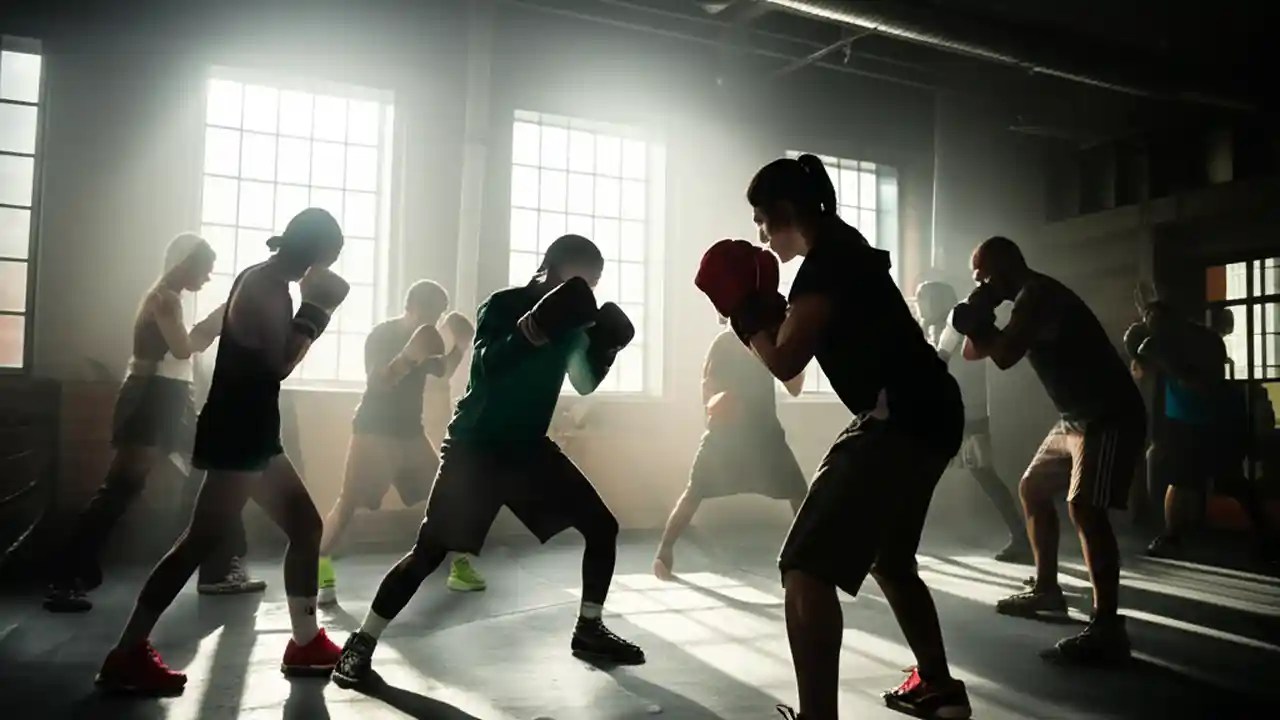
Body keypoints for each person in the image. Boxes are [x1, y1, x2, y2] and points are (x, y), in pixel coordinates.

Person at [700, 154, 970, 720]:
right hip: (931, 412)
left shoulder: (827, 262)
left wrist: (746, 315)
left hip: (900, 417)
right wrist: (768, 316)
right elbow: (796, 373)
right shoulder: (842, 251)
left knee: (806, 568)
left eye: (760, 218)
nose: (759, 233)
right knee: (892, 561)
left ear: (782, 212)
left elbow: (785, 361)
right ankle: (939, 687)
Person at [331, 234, 645, 689]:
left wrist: (607, 349)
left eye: (596, 284)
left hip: (528, 449)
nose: (591, 292)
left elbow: (583, 381)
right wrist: (536, 326)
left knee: (602, 526)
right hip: (475, 449)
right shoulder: (503, 305)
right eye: (587, 280)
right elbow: (490, 365)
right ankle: (361, 644)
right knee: (428, 553)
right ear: (557, 270)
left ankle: (589, 629)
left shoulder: (577, 320)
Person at [95, 209, 350, 695]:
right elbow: (275, 366)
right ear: (318, 252)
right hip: (240, 431)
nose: (328, 268)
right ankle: (126, 653)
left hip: (251, 428)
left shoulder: (267, 280)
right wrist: (318, 312)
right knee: (197, 542)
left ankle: (305, 640)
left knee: (305, 525)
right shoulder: (267, 287)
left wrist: (311, 307)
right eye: (331, 258)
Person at [44, 233, 265, 614]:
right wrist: (217, 322)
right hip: (153, 399)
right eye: (204, 269)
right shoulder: (165, 299)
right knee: (123, 487)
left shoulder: (171, 299)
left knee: (216, 474)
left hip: (171, 398)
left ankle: (217, 570)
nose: (207, 278)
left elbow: (183, 350)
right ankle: (65, 578)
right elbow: (182, 348)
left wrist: (215, 324)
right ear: (185, 263)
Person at [953, 235, 1144, 665]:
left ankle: (1107, 627)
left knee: (1086, 509)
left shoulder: (1038, 294)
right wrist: (978, 313)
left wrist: (980, 321)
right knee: (1033, 488)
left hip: (1107, 413)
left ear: (1003, 266)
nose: (980, 282)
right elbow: (970, 351)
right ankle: (1047, 591)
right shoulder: (1022, 297)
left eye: (982, 274)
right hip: (1075, 417)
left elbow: (1002, 355)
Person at [317, 280, 487, 606]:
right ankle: (319, 566)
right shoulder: (382, 335)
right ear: (411, 307)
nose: (434, 321)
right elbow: (378, 384)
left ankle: (459, 567)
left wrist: (460, 347)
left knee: (447, 495)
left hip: (410, 433)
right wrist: (409, 356)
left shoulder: (429, 337)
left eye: (438, 316)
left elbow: (443, 372)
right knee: (350, 502)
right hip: (373, 431)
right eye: (429, 313)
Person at [652, 315, 807, 581]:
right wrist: (720, 404)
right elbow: (708, 390)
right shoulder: (725, 343)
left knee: (800, 495)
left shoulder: (763, 343)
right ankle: (664, 554)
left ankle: (805, 554)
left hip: (761, 434)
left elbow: (793, 386)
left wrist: (795, 348)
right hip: (730, 434)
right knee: (694, 492)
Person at [1132, 304, 1277, 562]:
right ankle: (1172, 536)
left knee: (1230, 481)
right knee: (1180, 480)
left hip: (1216, 422)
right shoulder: (1164, 341)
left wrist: (1164, 359)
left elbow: (1199, 383)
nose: (1150, 324)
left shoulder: (1202, 341)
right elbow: (1139, 352)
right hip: (1184, 422)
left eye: (1153, 319)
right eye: (1147, 319)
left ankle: (1265, 534)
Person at [914, 280, 1031, 564]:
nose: (918, 306)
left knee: (975, 477)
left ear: (934, 302)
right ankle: (1021, 537)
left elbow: (937, 368)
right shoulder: (948, 328)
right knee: (931, 477)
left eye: (921, 299)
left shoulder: (955, 328)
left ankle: (1022, 537)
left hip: (966, 415)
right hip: (960, 413)